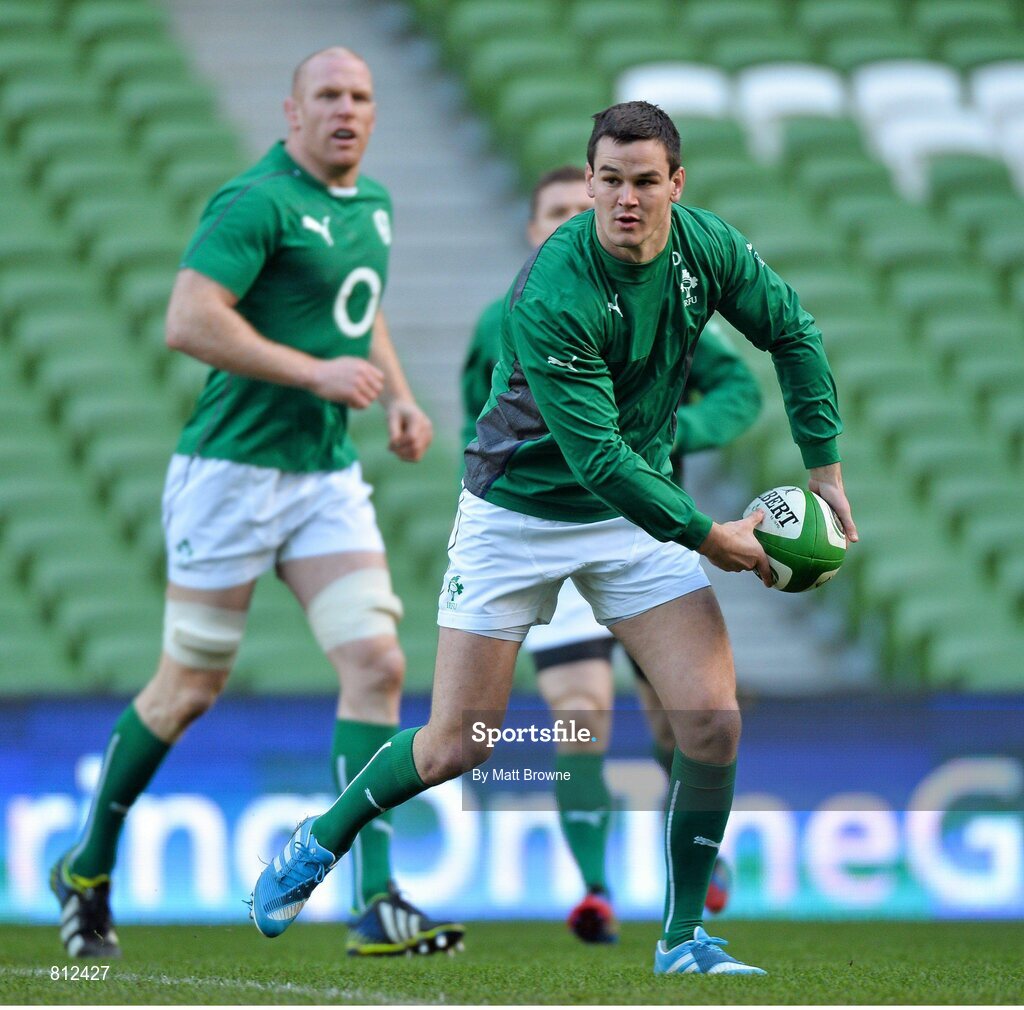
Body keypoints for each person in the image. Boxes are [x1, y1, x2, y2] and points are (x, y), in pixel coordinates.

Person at [252, 101, 857, 977]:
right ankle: (317, 840)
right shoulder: (552, 290)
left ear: (675, 185)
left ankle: (684, 939)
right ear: (591, 183)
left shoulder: (707, 248)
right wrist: (712, 538)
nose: (624, 199)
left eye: (644, 182)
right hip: (518, 516)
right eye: (607, 181)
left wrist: (827, 475)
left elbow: (794, 334)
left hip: (630, 521)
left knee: (713, 724)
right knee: (460, 745)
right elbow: (600, 457)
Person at [50, 47, 464, 960]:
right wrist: (314, 371)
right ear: (291, 112)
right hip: (230, 474)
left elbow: (363, 313)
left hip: (321, 476)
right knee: (189, 687)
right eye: (328, 96)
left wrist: (395, 392)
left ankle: (374, 897)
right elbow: (188, 318)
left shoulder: (377, 207)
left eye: (360, 95)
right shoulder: (256, 202)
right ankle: (87, 868)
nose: (346, 109)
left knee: (378, 661)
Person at [460, 165, 762, 943]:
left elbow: (738, 390)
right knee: (577, 714)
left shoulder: (676, 293)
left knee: (681, 718)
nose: (572, 218)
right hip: (547, 530)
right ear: (535, 230)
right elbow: (484, 423)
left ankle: (687, 868)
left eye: (577, 205)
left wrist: (670, 439)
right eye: (553, 211)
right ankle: (595, 887)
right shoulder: (512, 315)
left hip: (648, 531)